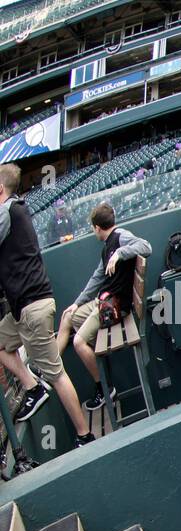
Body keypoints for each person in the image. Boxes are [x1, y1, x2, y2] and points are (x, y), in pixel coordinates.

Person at [0, 164, 95, 447]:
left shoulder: (8, 211)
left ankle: (84, 435)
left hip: (32, 307)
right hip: (24, 309)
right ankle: (31, 386)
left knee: (57, 375)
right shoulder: (16, 208)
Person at [56, 202, 152, 412]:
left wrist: (120, 253)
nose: (93, 231)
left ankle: (105, 389)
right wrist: (77, 303)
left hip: (115, 307)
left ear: (97, 227)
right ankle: (50, 366)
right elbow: (98, 276)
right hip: (103, 302)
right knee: (67, 317)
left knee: (80, 341)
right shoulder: (106, 246)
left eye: (93, 228)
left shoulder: (120, 236)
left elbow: (146, 246)